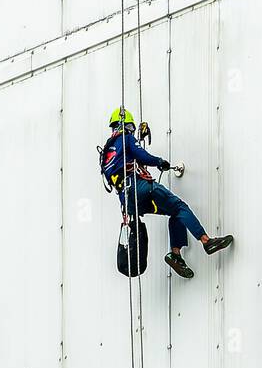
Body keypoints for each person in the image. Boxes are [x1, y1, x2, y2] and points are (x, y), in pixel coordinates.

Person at [99, 107, 234, 276]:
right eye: (130, 128)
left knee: (174, 213)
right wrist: (159, 162)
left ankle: (176, 255)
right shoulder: (125, 138)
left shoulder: (107, 153)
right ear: (126, 126)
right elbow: (141, 155)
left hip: (129, 203)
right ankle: (206, 241)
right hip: (139, 188)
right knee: (180, 207)